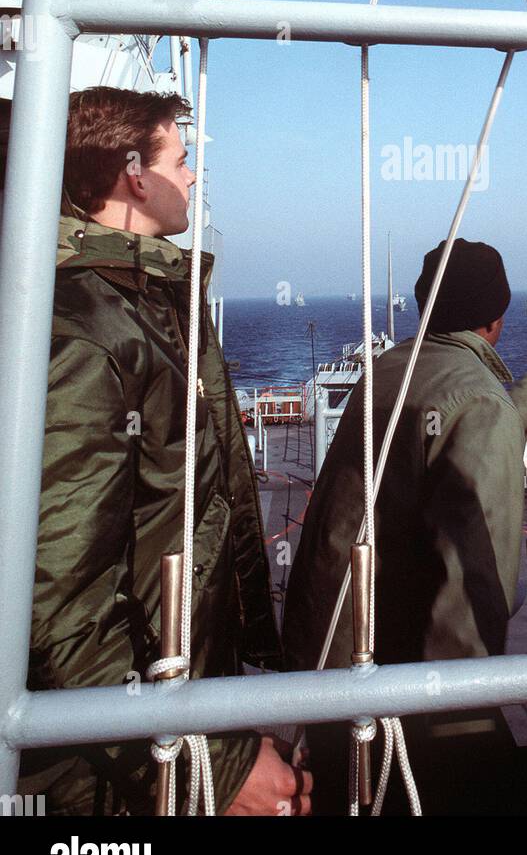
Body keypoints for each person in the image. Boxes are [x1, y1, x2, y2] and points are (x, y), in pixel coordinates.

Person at [19, 87, 312, 817]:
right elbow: (59, 604)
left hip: (168, 708)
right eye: (180, 160)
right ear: (133, 174)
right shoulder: (82, 330)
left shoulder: (134, 305)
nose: (191, 178)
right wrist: (212, 760)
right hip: (108, 778)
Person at [282, 238, 527, 813]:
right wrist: (465, 739)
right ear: (497, 318)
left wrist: (516, 407)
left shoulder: (388, 368)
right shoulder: (481, 406)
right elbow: (471, 593)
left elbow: (424, 440)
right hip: (404, 711)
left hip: (330, 670)